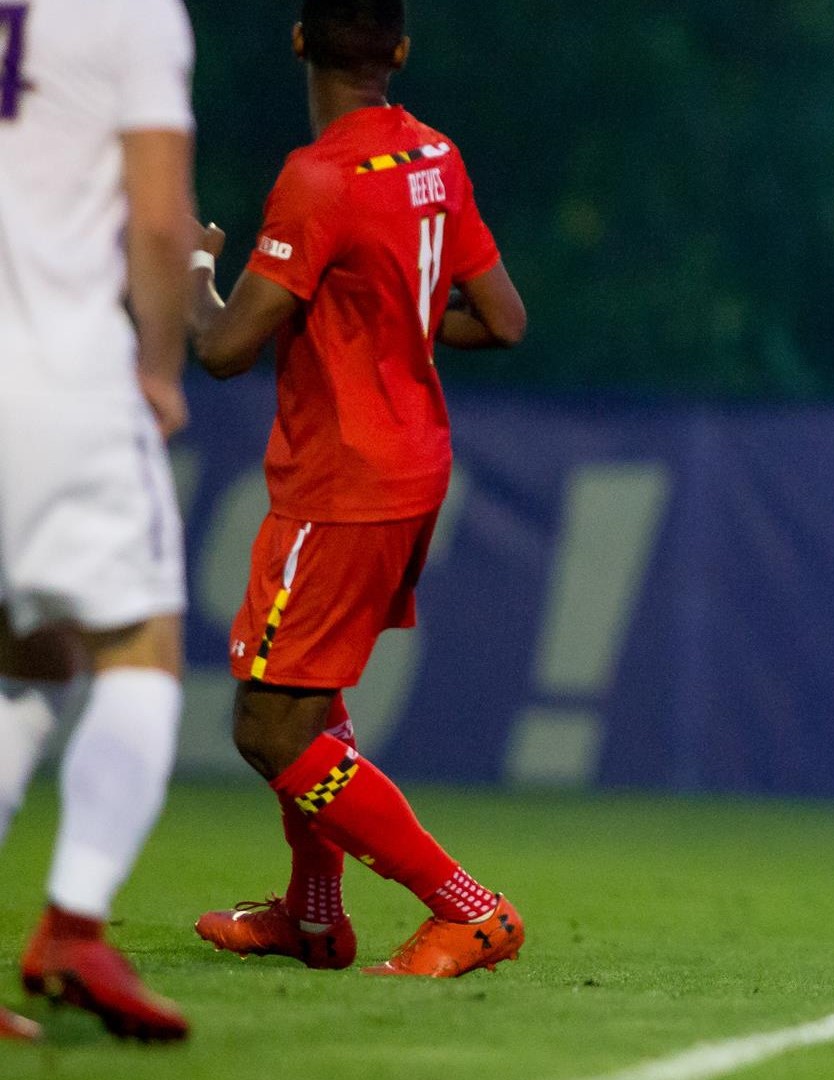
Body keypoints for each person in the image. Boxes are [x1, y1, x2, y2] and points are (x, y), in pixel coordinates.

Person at [186, 0, 528, 979]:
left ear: (300, 40)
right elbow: (502, 319)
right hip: (415, 464)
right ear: (401, 50)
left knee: (268, 725)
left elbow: (223, 350)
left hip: (341, 481)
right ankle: (313, 917)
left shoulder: (318, 178)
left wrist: (193, 273)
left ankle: (471, 910)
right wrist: (390, 321)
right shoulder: (435, 157)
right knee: (312, 697)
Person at [0, 0, 199, 1042]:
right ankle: (75, 926)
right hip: (56, 374)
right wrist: (159, 368)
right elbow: (159, 220)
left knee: (23, 658)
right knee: (140, 646)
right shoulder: (130, 10)